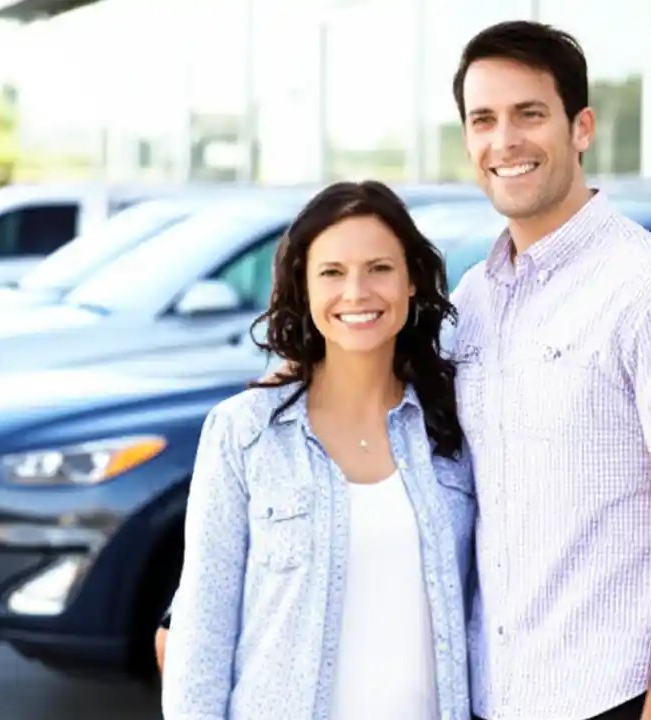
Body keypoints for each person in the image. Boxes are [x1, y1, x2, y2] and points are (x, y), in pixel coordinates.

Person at [450, 20, 651, 720]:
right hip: (496, 695)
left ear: (580, 128)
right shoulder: (473, 299)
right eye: (483, 119)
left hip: (618, 698)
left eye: (530, 114)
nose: (506, 141)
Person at [158, 181, 476, 720]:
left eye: (380, 268)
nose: (357, 292)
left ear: (412, 282)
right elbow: (201, 636)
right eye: (332, 272)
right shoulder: (245, 432)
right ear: (302, 288)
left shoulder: (454, 426)